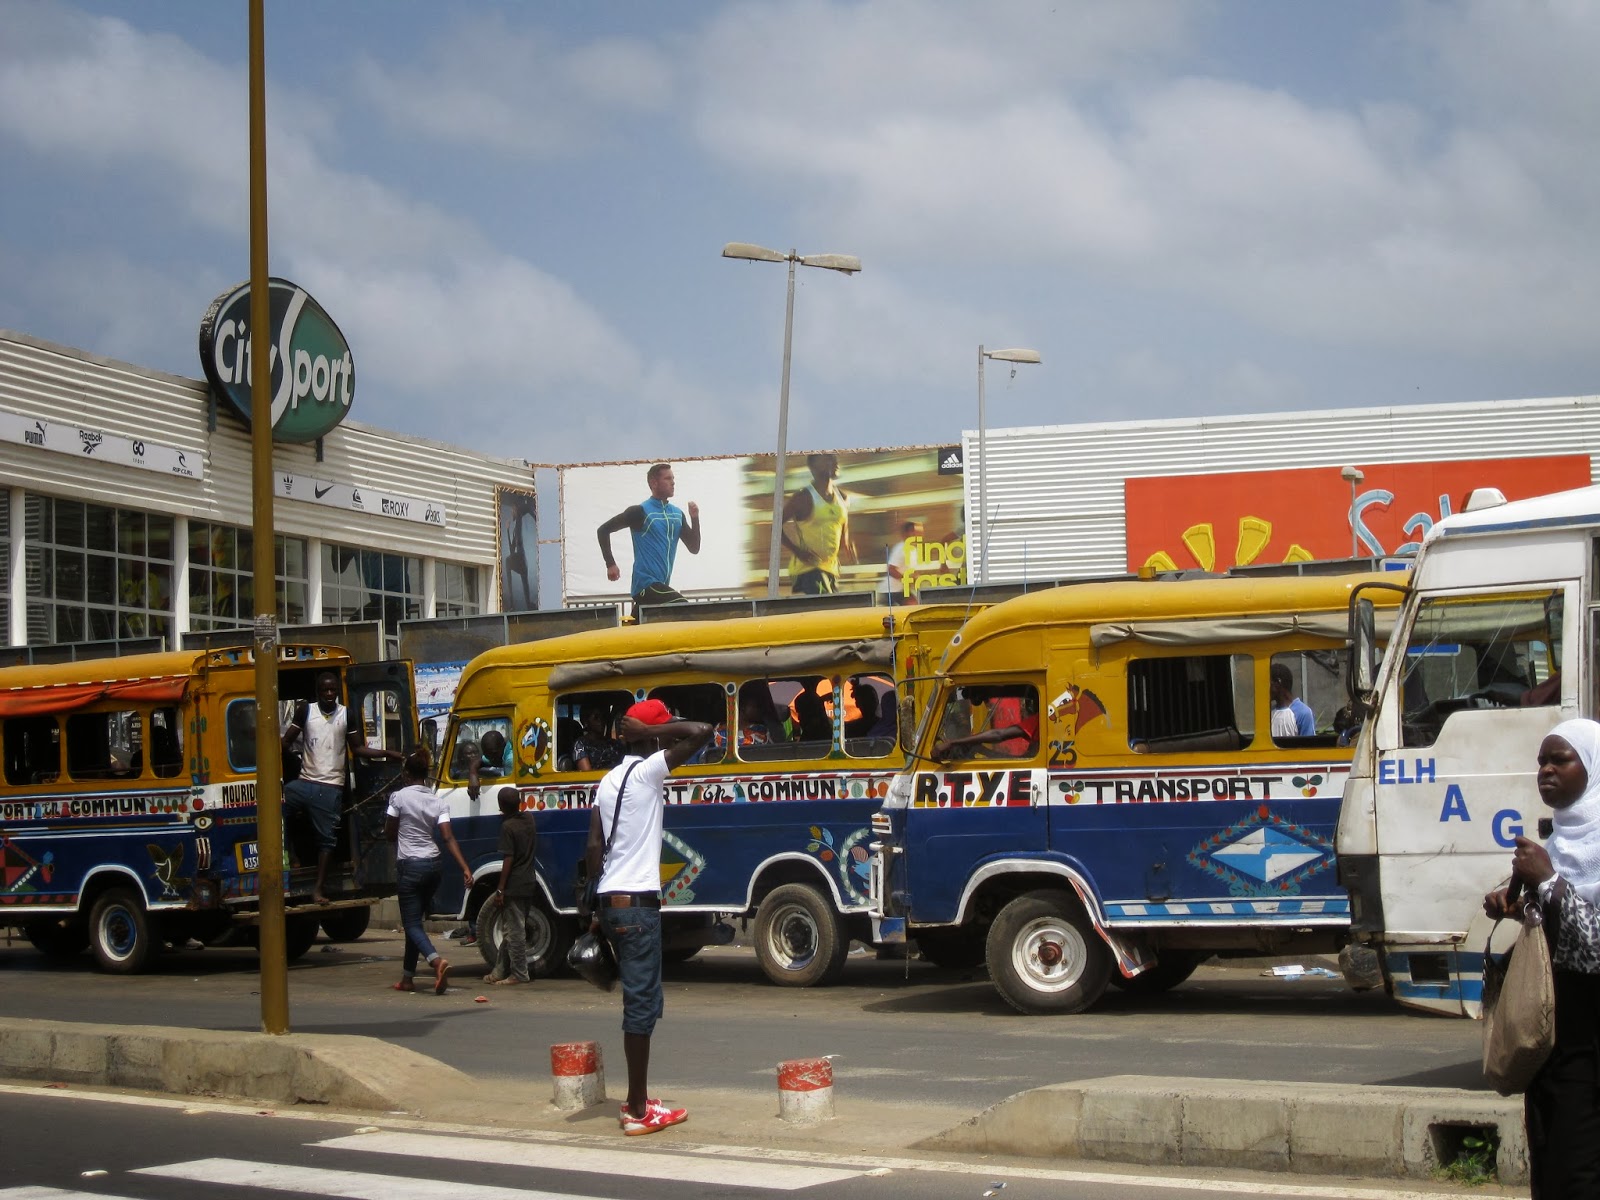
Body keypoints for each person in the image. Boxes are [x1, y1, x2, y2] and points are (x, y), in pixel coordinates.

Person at [1483, 720, 1600, 1197]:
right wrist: (1517, 906)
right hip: (1552, 1039)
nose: (1546, 771)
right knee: (1550, 1164)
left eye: (1560, 760)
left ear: (1591, 768)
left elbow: (1592, 946)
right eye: (1541, 762)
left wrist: (1548, 883)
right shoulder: (1557, 843)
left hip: (1591, 1043)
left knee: (1579, 1169)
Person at [585, 699, 713, 1136]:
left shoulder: (607, 780)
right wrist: (647, 732)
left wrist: (594, 909)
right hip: (638, 906)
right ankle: (638, 1110)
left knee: (643, 1003)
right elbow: (703, 730)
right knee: (640, 1008)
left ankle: (638, 1097)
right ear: (652, 736)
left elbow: (593, 848)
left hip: (610, 898)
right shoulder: (648, 770)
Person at [282, 671, 403, 904]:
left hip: (330, 787)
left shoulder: (346, 714)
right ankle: (290, 855)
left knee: (327, 840)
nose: (329, 694)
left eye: (333, 690)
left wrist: (388, 753)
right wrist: (292, 763)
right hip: (305, 782)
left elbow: (357, 749)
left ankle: (318, 889)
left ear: (337, 691)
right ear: (318, 692)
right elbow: (286, 742)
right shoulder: (306, 710)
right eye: (325, 690)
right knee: (277, 807)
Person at [384, 749, 474, 995]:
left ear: (405, 775)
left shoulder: (398, 798)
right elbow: (447, 837)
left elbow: (390, 833)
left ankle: (436, 962)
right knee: (415, 922)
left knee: (411, 923)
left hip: (410, 865)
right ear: (427, 775)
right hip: (434, 866)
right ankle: (407, 978)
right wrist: (465, 867)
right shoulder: (438, 801)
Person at [597, 463, 702, 613]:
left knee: (640, 631)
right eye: (667, 478)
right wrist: (610, 564)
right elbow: (603, 530)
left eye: (673, 478)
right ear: (654, 483)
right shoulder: (640, 512)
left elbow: (694, 547)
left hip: (661, 587)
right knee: (682, 606)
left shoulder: (677, 514)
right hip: (645, 586)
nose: (673, 482)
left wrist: (695, 518)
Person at [484, 786, 538, 986]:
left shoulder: (507, 827)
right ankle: (498, 971)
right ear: (520, 802)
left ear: (501, 807)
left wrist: (500, 888)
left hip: (514, 884)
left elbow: (508, 859)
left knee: (515, 932)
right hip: (529, 881)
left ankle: (519, 974)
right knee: (512, 928)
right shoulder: (529, 819)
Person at [781, 453, 855, 595]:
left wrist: (846, 545)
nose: (834, 461)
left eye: (834, 458)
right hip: (808, 569)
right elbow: (775, 528)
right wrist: (798, 552)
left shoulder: (843, 498)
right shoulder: (803, 498)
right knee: (826, 610)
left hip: (831, 569)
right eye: (827, 458)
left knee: (832, 613)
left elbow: (842, 527)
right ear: (813, 467)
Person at [933, 691, 1039, 761]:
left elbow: (998, 734)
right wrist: (985, 751)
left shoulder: (1038, 721)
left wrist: (952, 742)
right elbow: (1021, 760)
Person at [1269, 664, 1316, 738]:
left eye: (1268, 683)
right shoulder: (1269, 713)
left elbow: (1308, 746)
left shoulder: (1303, 713)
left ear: (1277, 683)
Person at [574, 703, 624, 771]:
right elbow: (587, 774)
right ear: (586, 721)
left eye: (603, 717)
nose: (601, 720)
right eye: (596, 718)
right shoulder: (580, 744)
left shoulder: (614, 744)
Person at [882, 520, 922, 605]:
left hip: (901, 589)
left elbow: (910, 568)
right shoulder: (901, 548)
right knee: (913, 606)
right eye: (914, 532)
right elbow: (891, 569)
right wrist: (906, 579)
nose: (918, 535)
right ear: (906, 533)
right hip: (892, 590)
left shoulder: (913, 549)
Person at [465, 728, 509, 801]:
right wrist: (473, 774)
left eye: (494, 754)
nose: (491, 759)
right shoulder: (495, 755)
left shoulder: (509, 760)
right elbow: (479, 761)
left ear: (503, 746)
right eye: (487, 755)